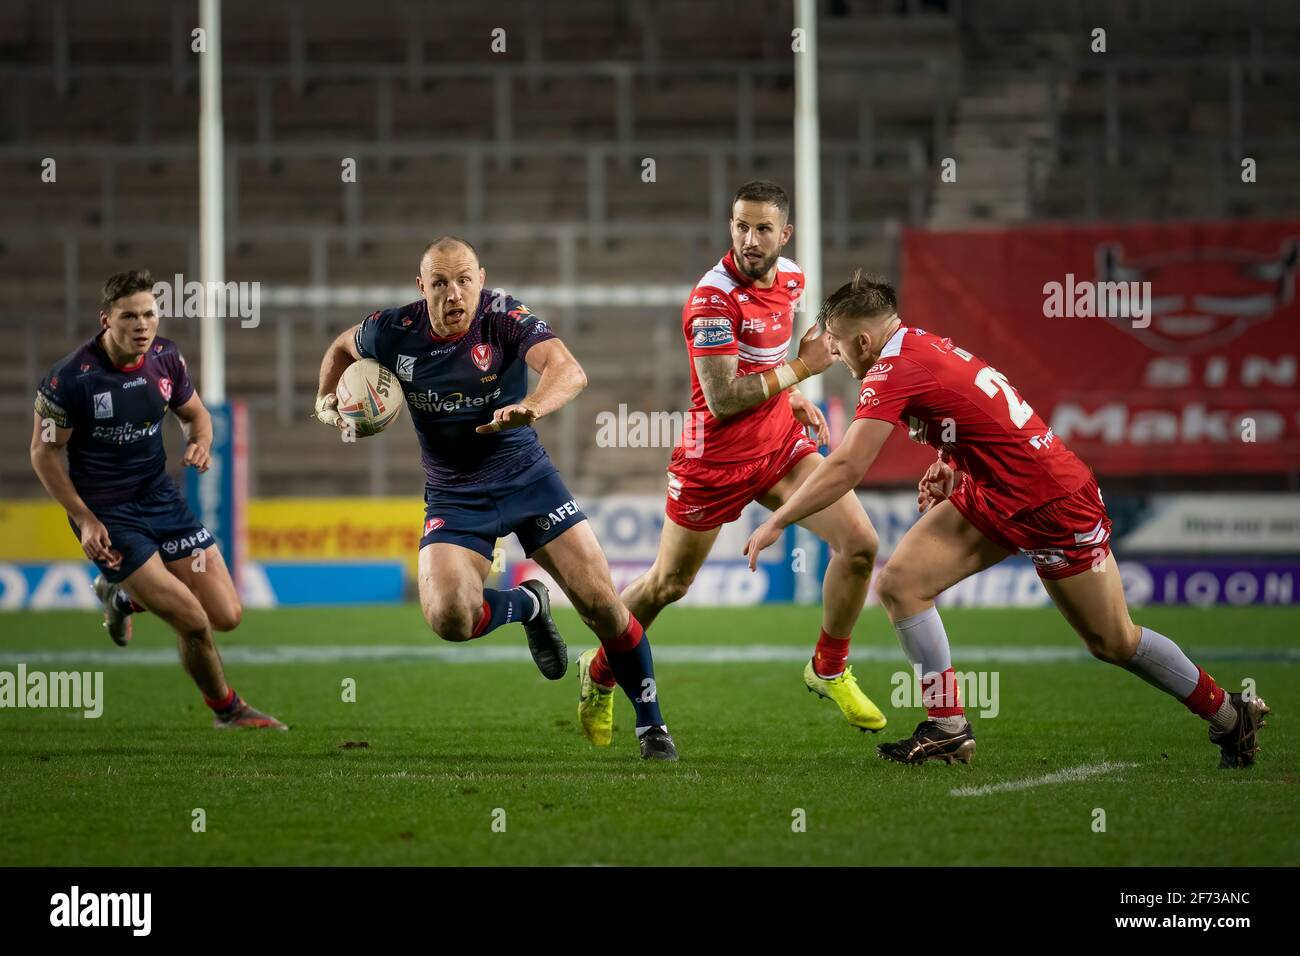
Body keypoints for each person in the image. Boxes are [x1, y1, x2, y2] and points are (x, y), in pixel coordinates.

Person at [744, 272, 1270, 769]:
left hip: (1051, 503)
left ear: (860, 341)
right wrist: (950, 463)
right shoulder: (921, 344)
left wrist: (778, 520)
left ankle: (1229, 715)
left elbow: (847, 465)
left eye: (835, 342)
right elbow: (979, 410)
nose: (831, 352)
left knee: (1113, 641)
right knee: (903, 583)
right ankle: (947, 726)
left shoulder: (890, 369)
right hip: (996, 492)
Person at [314, 236, 677, 759]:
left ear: (481, 279)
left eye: (464, 279)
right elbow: (341, 348)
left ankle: (652, 727)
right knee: (449, 617)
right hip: (454, 493)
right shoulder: (392, 330)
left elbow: (569, 370)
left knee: (603, 607)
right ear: (422, 288)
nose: (454, 293)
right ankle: (529, 605)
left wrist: (532, 405)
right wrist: (326, 400)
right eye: (440, 283)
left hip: (526, 478)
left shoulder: (504, 316)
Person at [577, 181, 886, 749]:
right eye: (740, 226)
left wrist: (793, 397)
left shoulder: (792, 280)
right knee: (668, 585)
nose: (749, 238)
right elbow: (721, 397)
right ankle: (599, 673)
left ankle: (829, 666)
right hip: (712, 460)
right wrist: (799, 372)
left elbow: (764, 362)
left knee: (861, 544)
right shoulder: (711, 300)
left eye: (762, 228)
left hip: (778, 449)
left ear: (784, 235)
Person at [30, 269, 284, 730]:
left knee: (227, 615)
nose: (142, 325)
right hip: (107, 514)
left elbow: (196, 416)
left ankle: (122, 597)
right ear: (106, 319)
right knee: (191, 619)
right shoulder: (70, 379)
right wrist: (84, 519)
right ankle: (227, 709)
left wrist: (199, 441)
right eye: (130, 316)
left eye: (150, 314)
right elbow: (44, 453)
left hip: (160, 499)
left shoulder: (166, 359)